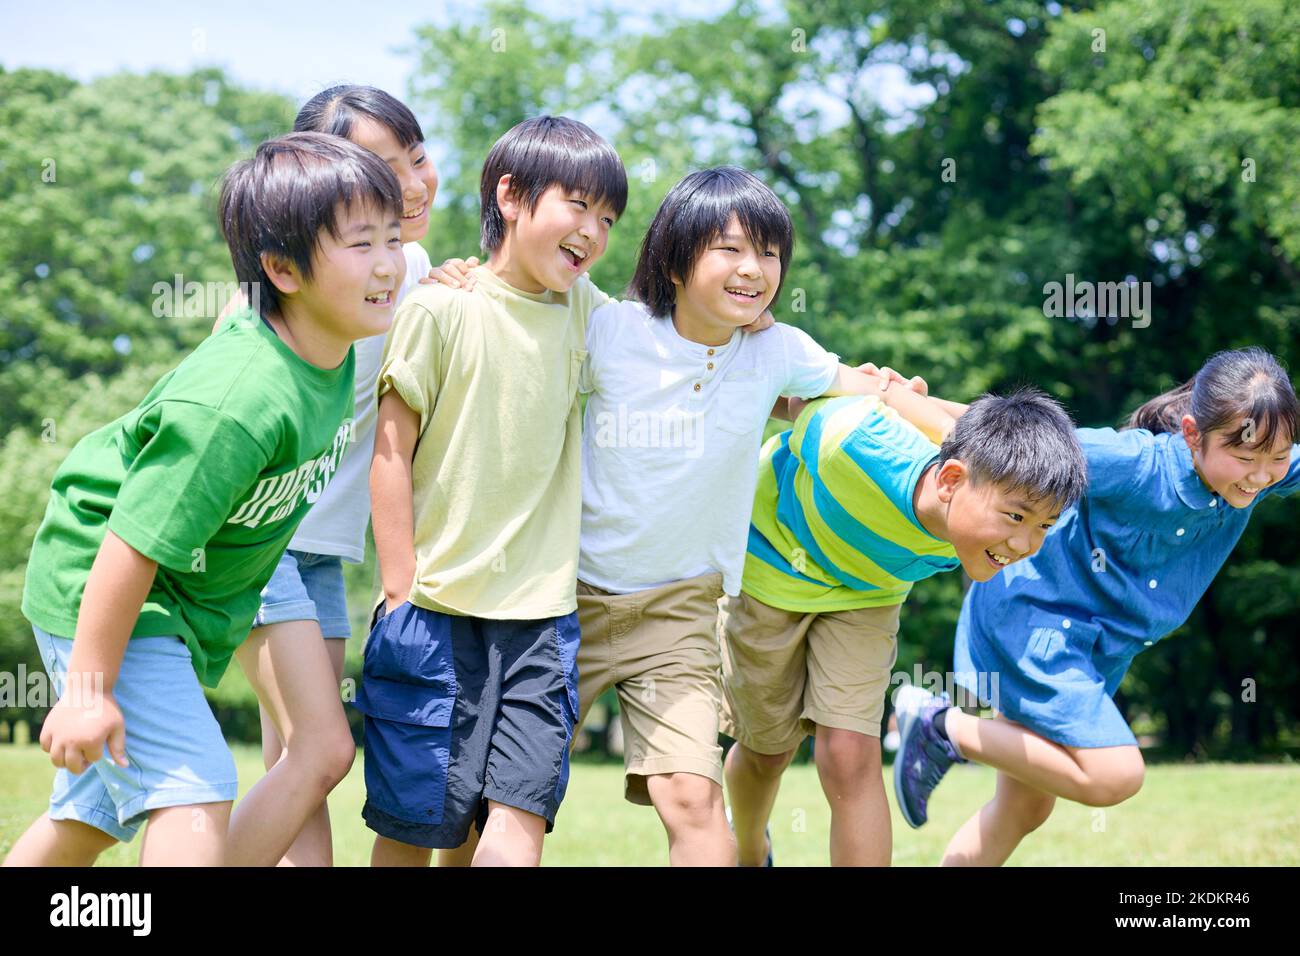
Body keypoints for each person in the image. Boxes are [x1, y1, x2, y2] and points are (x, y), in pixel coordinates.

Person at [4, 132, 404, 866]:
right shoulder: (240, 398)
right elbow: (131, 540)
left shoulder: (330, 354)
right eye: (359, 245)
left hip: (179, 601)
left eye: (392, 238)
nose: (388, 264)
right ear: (282, 268)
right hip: (108, 582)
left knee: (93, 812)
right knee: (195, 787)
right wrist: (87, 689)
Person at [572, 166, 933, 865]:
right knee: (509, 791)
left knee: (695, 801)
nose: (754, 269)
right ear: (675, 258)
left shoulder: (778, 351)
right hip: (563, 600)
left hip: (678, 614)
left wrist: (952, 420)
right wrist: (463, 277)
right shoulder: (608, 329)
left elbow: (868, 393)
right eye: (730, 249)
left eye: (768, 253)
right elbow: (522, 315)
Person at [894, 346, 1300, 867]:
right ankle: (939, 725)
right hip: (1036, 620)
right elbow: (1000, 437)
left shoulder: (1260, 472)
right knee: (1115, 773)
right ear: (1194, 435)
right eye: (1244, 458)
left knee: (1024, 808)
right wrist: (886, 395)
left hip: (1089, 649)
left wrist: (1264, 463)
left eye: (1276, 458)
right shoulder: (1136, 465)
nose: (1260, 475)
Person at [360, 115, 625, 867]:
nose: (593, 232)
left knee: (520, 816)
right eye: (578, 206)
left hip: (543, 621)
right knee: (417, 828)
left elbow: (671, 347)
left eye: (607, 218)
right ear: (511, 196)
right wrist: (399, 590)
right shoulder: (440, 307)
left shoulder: (586, 312)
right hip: (436, 611)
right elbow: (390, 451)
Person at [216, 84, 451, 868]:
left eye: (416, 156)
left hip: (322, 549)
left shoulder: (411, 270)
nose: (412, 182)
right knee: (317, 754)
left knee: (299, 764)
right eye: (384, 166)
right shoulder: (267, 303)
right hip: (256, 541)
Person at [723, 387, 1088, 866]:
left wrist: (900, 395)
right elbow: (791, 395)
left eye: (1044, 526)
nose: (1024, 543)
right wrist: (876, 390)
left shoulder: (983, 493)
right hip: (773, 563)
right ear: (950, 481)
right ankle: (752, 849)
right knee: (766, 752)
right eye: (1015, 517)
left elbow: (979, 433)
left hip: (871, 591)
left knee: (850, 754)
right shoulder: (852, 440)